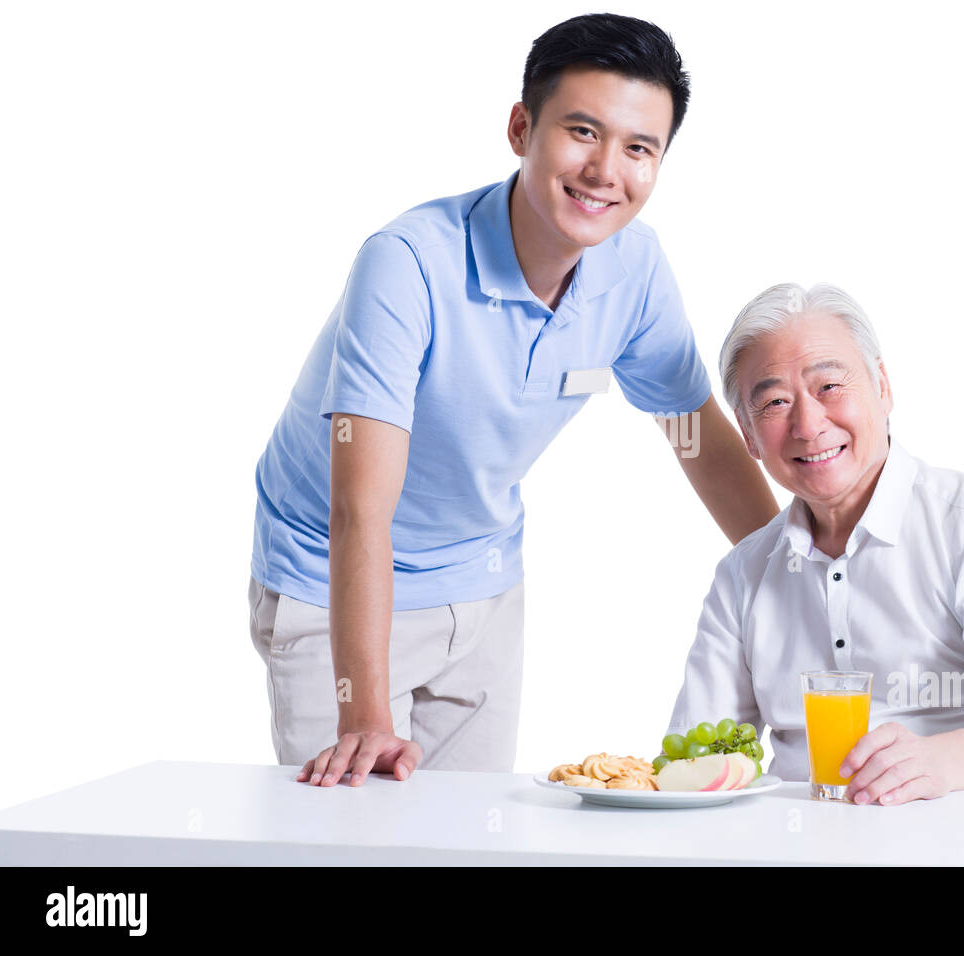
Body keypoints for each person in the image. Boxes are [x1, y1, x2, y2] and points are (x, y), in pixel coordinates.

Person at [248, 14, 778, 787]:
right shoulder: (407, 265)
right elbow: (359, 507)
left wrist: (791, 571)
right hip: (335, 584)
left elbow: (693, 433)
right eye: (582, 131)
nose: (605, 170)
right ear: (521, 127)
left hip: (484, 582)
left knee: (474, 837)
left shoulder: (633, 271)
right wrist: (363, 711)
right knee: (357, 833)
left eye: (639, 149)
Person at [666, 282, 964, 805]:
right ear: (748, 435)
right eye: (776, 402)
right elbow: (694, 760)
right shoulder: (742, 575)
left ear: (882, 386)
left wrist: (932, 763)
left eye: (829, 386)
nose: (808, 425)